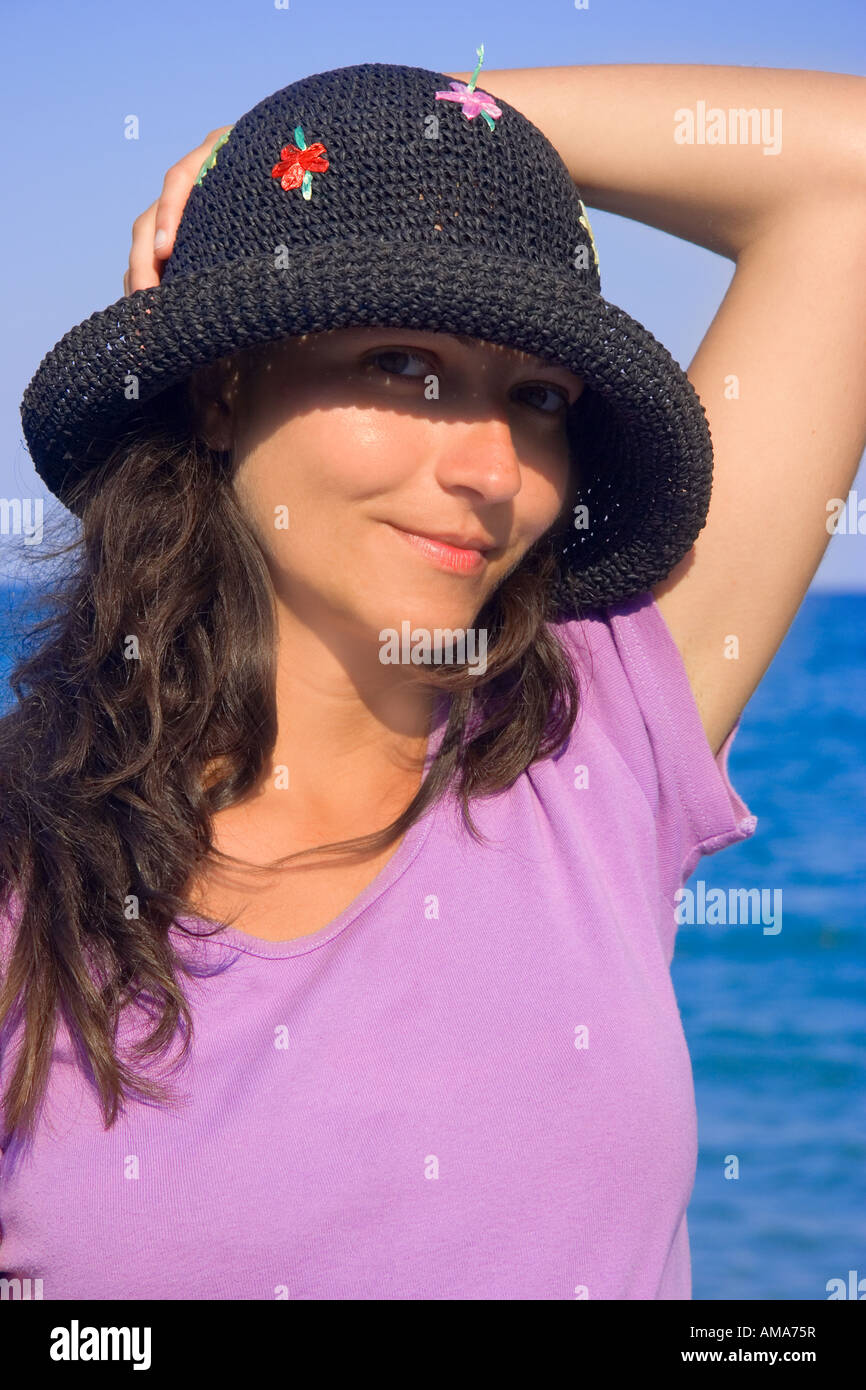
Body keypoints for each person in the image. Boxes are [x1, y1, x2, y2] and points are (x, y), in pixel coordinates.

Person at [2, 57, 864, 1301]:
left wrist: (429, 124)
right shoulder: (25, 864)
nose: (491, 467)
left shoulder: (599, 721)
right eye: (403, 366)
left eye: (536, 396)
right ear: (223, 387)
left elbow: (843, 175)